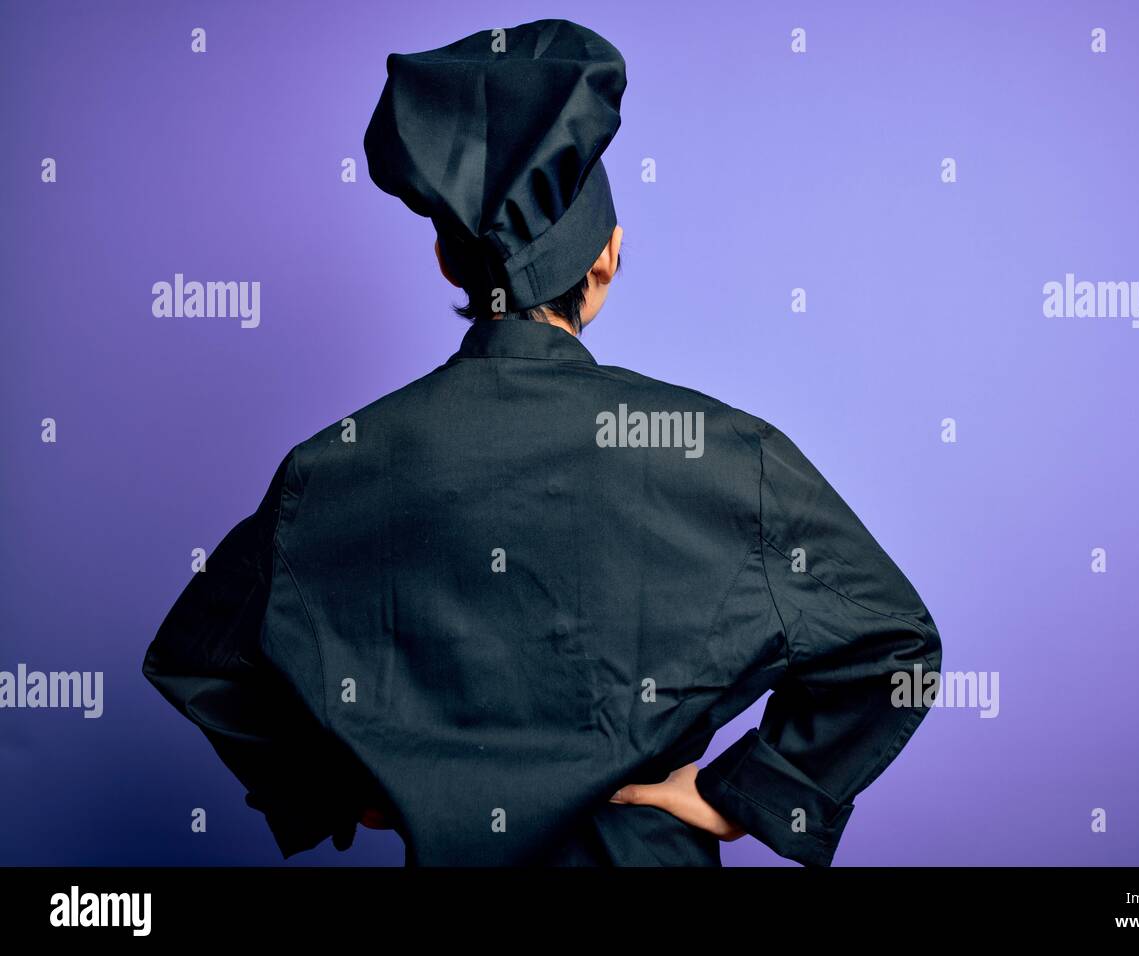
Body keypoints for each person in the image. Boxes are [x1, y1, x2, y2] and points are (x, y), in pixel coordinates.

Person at [142, 18, 942, 867]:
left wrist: (338, 788)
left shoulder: (331, 466)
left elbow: (201, 658)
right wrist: (747, 792)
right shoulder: (726, 452)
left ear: (449, 263)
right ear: (606, 258)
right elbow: (897, 644)